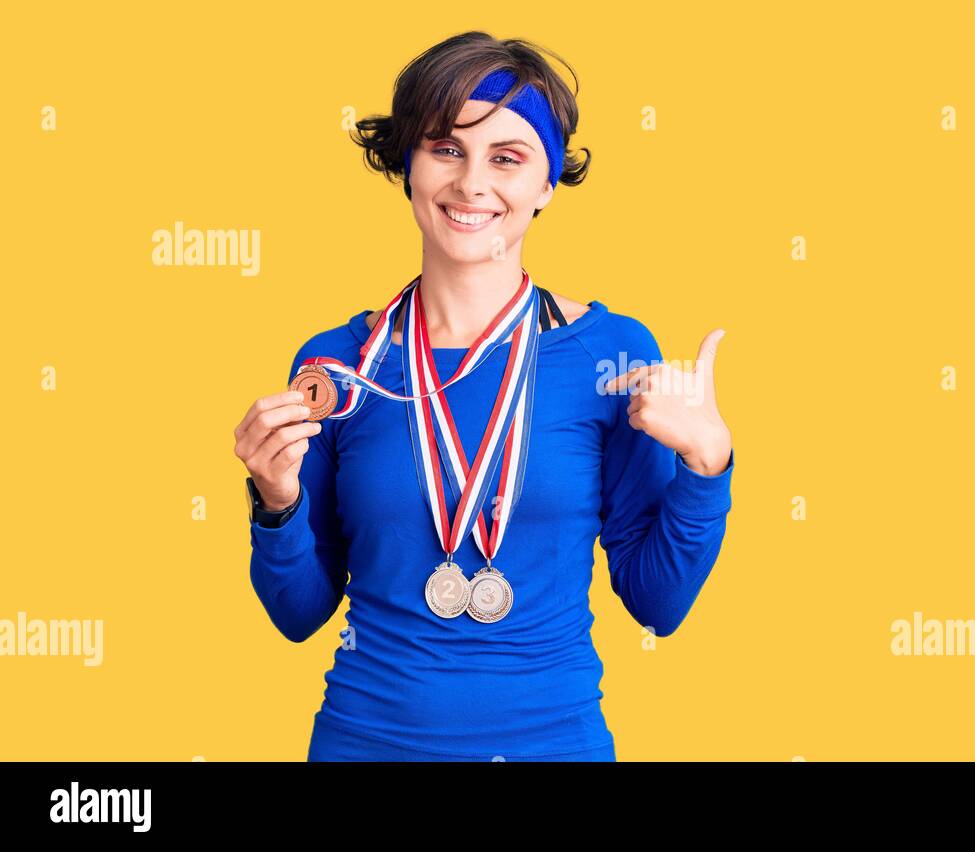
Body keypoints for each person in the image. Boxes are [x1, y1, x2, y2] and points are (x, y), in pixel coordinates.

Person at [232, 31, 734, 762]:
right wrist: (274, 501)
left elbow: (657, 604)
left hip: (554, 745)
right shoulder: (338, 366)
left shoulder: (610, 356)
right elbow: (299, 614)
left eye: (507, 157)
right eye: (445, 149)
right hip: (364, 744)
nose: (471, 184)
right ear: (408, 165)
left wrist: (707, 466)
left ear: (547, 184)